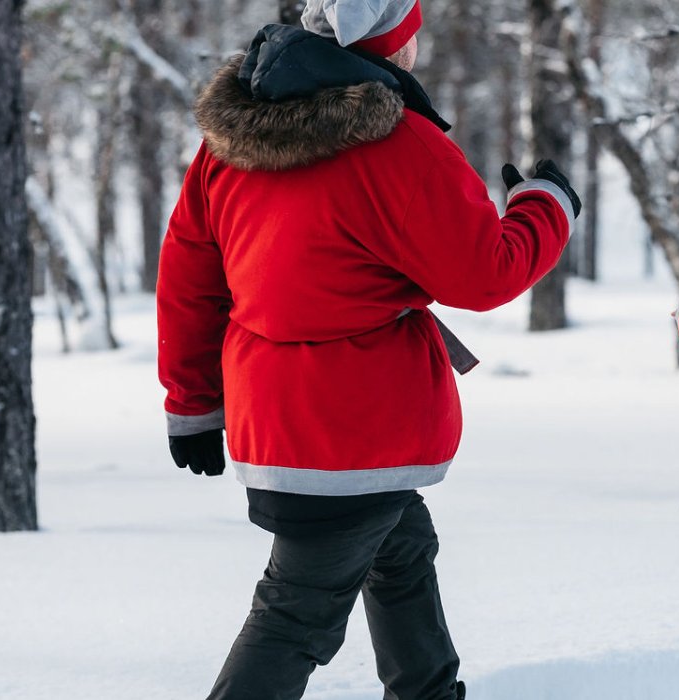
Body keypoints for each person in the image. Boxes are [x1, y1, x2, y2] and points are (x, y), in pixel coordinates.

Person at [155, 0, 579, 697]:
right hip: (357, 428)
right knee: (295, 615)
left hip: (277, 422)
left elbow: (190, 276)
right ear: (391, 41)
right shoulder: (397, 143)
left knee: (401, 553)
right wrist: (546, 205)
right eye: (412, 31)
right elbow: (484, 273)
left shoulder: (227, 144)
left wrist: (193, 404)